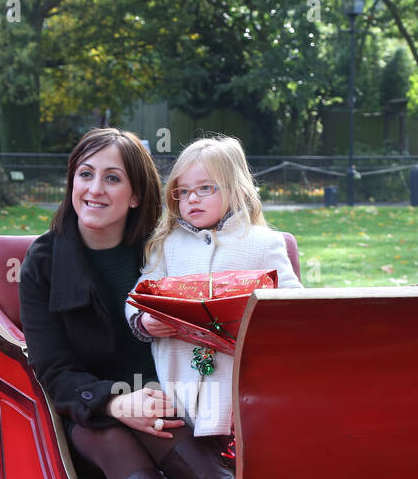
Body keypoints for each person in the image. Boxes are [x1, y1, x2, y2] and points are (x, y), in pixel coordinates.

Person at [18, 128, 235, 479]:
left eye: (112, 178)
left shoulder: (165, 251)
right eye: (85, 174)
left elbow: (233, 241)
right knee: (116, 437)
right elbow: (54, 370)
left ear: (135, 195)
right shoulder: (43, 262)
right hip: (85, 416)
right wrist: (116, 402)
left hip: (165, 401)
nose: (94, 189)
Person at [127, 135, 302, 439]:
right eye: (183, 191)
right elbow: (139, 294)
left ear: (235, 189)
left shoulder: (262, 243)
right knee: (187, 447)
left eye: (205, 188)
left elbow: (293, 302)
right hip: (177, 379)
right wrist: (143, 321)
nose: (191, 199)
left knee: (236, 446)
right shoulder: (166, 245)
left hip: (239, 381)